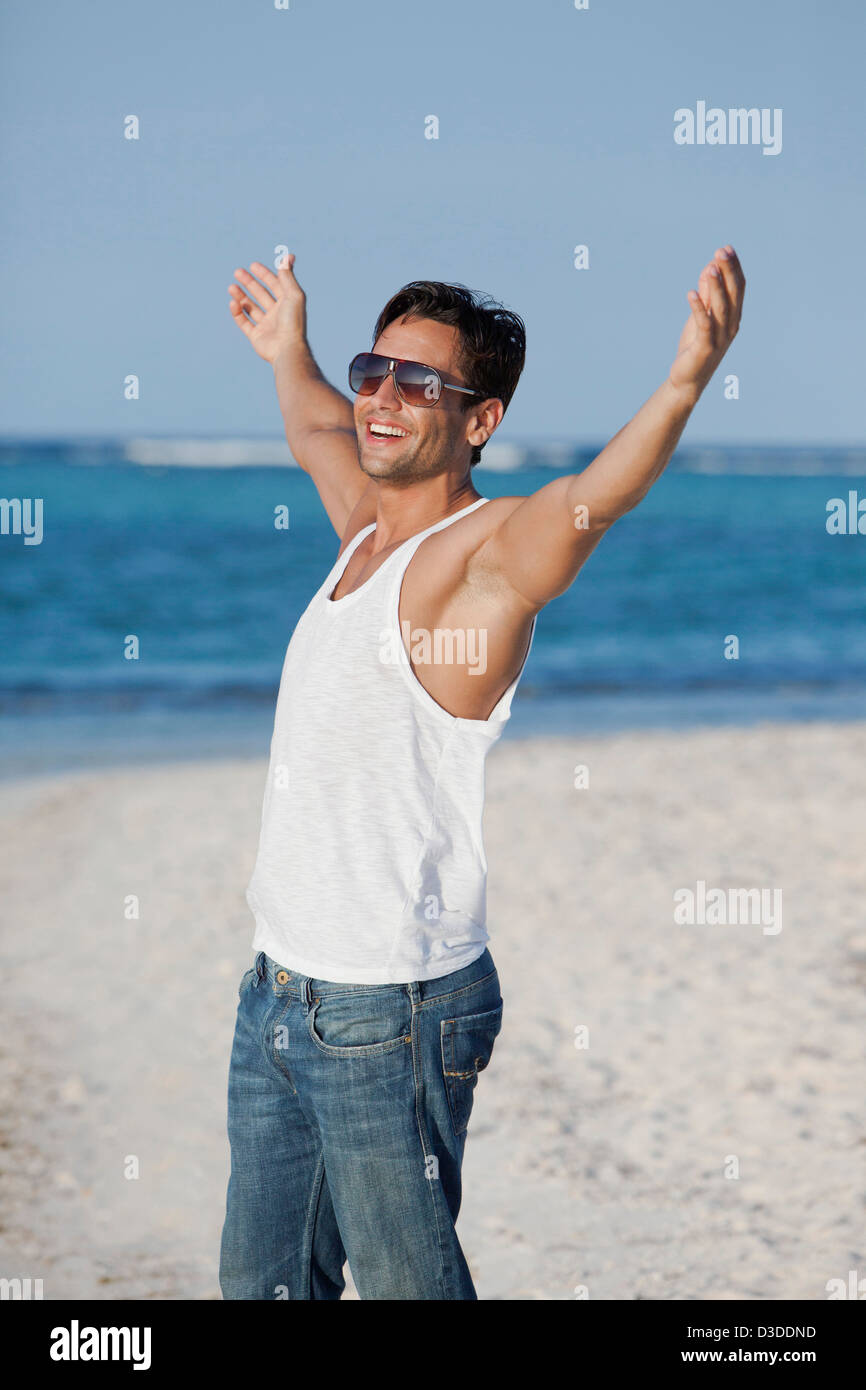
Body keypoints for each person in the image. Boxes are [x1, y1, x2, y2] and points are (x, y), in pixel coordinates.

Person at [218, 248, 745, 1300]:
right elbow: (321, 423)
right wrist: (292, 351)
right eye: (377, 370)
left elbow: (589, 503)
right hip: (277, 994)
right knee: (261, 1286)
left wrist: (684, 380)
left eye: (421, 385)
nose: (382, 399)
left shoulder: (482, 563)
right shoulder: (362, 529)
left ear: (479, 420)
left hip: (390, 1009)